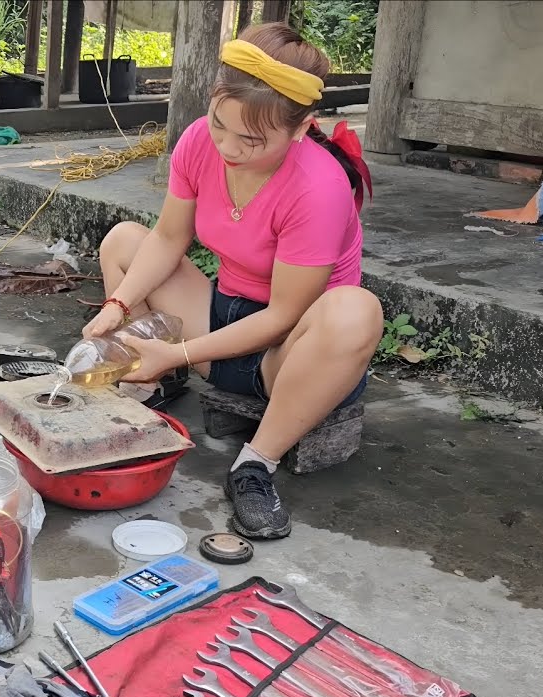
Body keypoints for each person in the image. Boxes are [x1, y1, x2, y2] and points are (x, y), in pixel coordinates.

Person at [84, 23, 383, 540]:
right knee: (124, 242)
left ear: (301, 127)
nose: (228, 146)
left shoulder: (318, 187)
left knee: (355, 311)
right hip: (220, 319)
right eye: (220, 123)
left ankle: (254, 465)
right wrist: (118, 303)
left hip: (291, 354)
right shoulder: (200, 141)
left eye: (252, 139)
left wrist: (178, 350)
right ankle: (152, 381)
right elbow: (168, 236)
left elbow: (283, 317)